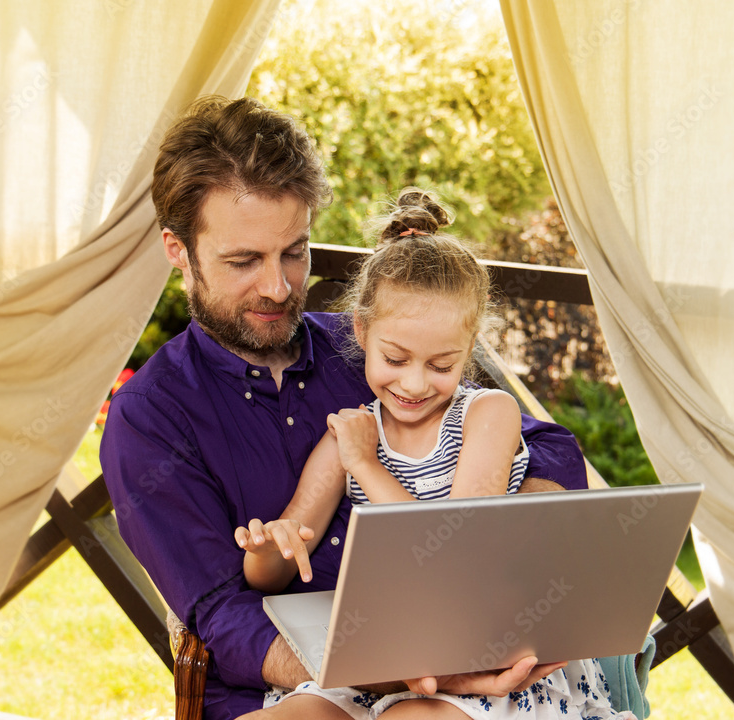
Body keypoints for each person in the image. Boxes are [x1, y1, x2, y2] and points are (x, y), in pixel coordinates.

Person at [100, 96, 590, 720]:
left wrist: (489, 565)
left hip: (465, 664)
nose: (278, 287)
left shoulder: (378, 352)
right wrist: (397, 672)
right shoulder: (151, 416)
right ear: (178, 250)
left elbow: (548, 446)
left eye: (294, 252)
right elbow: (224, 613)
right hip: (298, 684)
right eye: (244, 261)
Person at [233, 189, 635, 720]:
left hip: (484, 657)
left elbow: (460, 551)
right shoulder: (349, 435)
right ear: (361, 331)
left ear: (468, 352)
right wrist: (269, 547)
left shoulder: (486, 414)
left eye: (442, 365)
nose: (415, 384)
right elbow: (276, 574)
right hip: (382, 655)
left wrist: (367, 466)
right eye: (395, 358)